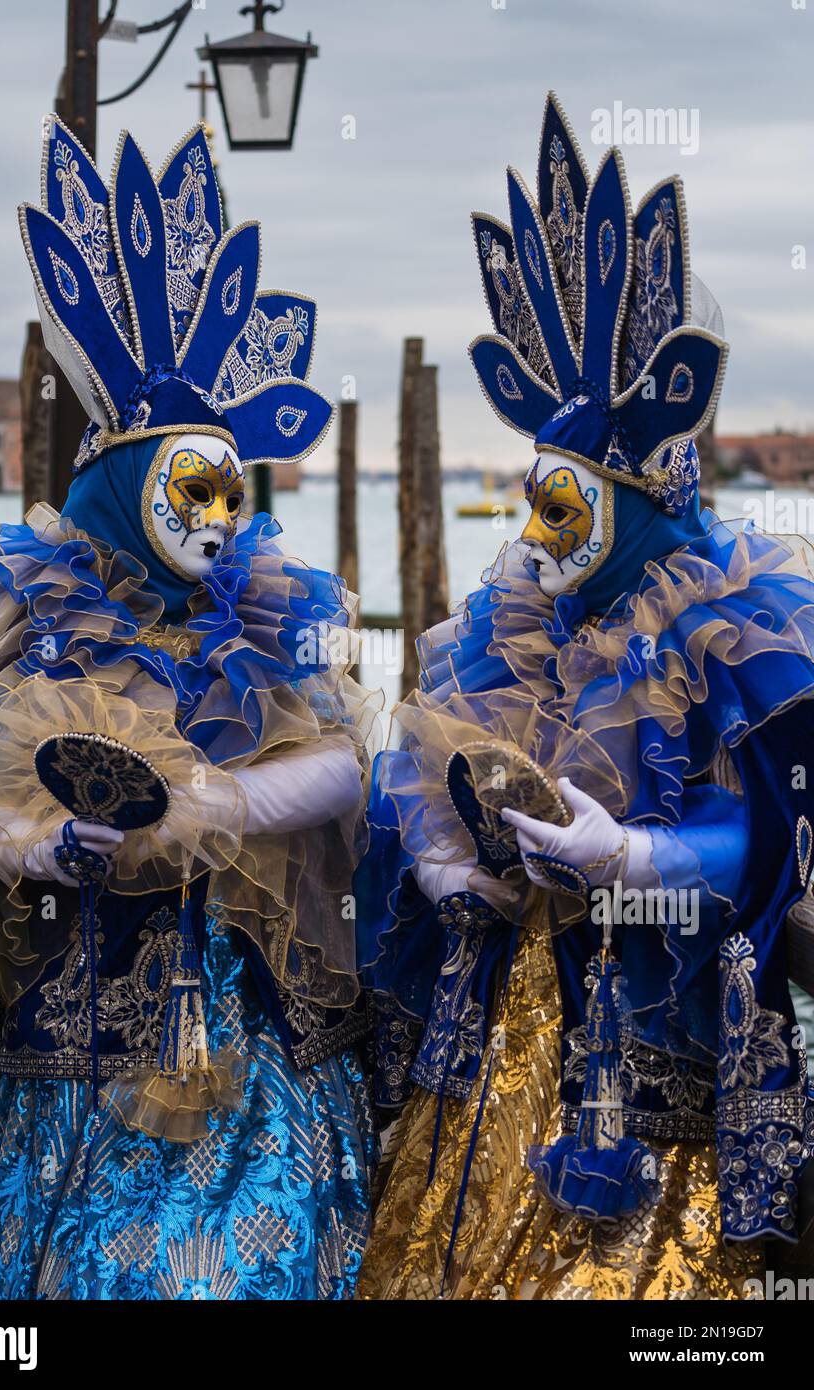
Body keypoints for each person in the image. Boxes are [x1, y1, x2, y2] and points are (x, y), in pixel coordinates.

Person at [0, 118, 378, 1301]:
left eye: (230, 487)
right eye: (190, 485)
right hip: (76, 1019)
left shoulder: (265, 615)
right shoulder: (39, 614)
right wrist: (41, 843)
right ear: (125, 484)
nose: (217, 515)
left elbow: (346, 767)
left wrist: (215, 799)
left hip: (240, 1019)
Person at [355, 91, 814, 1300]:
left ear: (631, 502)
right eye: (531, 502)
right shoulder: (509, 630)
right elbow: (416, 771)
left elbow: (773, 841)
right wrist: (451, 857)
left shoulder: (737, 624)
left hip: (655, 1068)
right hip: (513, 1041)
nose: (534, 539)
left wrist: (636, 858)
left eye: (562, 509)